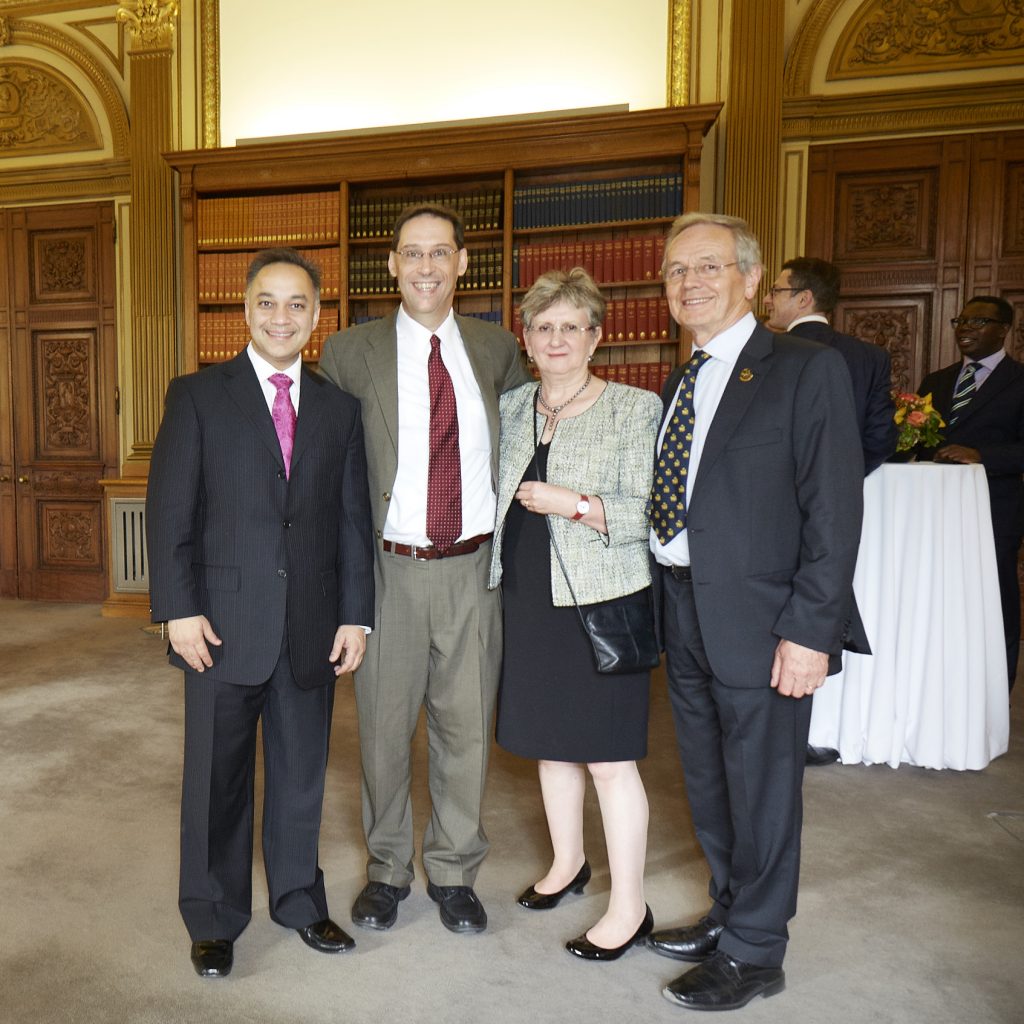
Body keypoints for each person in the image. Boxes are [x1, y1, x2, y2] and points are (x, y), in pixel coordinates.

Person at [646, 213, 869, 1011]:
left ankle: (756, 950)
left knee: (765, 789)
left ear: (750, 276)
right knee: (707, 780)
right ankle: (729, 909)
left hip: (767, 623)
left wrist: (812, 630)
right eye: (676, 271)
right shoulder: (683, 379)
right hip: (685, 609)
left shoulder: (807, 371)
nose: (690, 283)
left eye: (708, 267)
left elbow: (835, 513)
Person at [146, 247, 375, 978]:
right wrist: (178, 611)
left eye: (298, 304)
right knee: (215, 780)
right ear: (244, 310)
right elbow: (171, 511)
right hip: (218, 627)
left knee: (302, 775)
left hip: (311, 626)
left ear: (317, 315)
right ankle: (213, 917)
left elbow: (349, 520)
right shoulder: (197, 395)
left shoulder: (339, 408)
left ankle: (301, 903)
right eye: (268, 302)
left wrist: (355, 616)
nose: (283, 317)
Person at [318, 204, 531, 935]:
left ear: (463, 264)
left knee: (466, 728)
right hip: (388, 570)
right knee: (381, 730)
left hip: (474, 569)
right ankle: (385, 869)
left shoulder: (498, 349)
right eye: (412, 253)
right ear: (392, 266)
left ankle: (453, 869)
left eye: (441, 253)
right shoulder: (349, 352)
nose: (426, 268)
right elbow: (334, 474)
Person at [487, 268, 662, 960]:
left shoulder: (635, 407)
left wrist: (577, 505)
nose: (556, 339)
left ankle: (630, 907)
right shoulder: (511, 406)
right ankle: (567, 864)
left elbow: (654, 514)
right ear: (526, 339)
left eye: (571, 326)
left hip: (602, 603)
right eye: (543, 327)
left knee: (610, 761)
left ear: (597, 336)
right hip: (527, 599)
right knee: (550, 747)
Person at [763, 255, 896, 766]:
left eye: (776, 290)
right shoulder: (868, 356)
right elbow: (881, 436)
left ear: (803, 298)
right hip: (835, 511)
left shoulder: (772, 351)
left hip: (769, 514)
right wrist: (834, 481)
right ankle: (801, 733)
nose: (768, 300)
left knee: (775, 621)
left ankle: (781, 741)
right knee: (817, 605)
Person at [917, 296, 1024, 693]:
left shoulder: (1019, 380)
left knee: (995, 601)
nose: (965, 328)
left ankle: (996, 687)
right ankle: (941, 684)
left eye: (979, 321)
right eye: (960, 320)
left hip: (994, 511)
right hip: (933, 512)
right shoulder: (937, 381)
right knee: (939, 599)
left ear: (1004, 329)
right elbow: (918, 439)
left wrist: (981, 455)